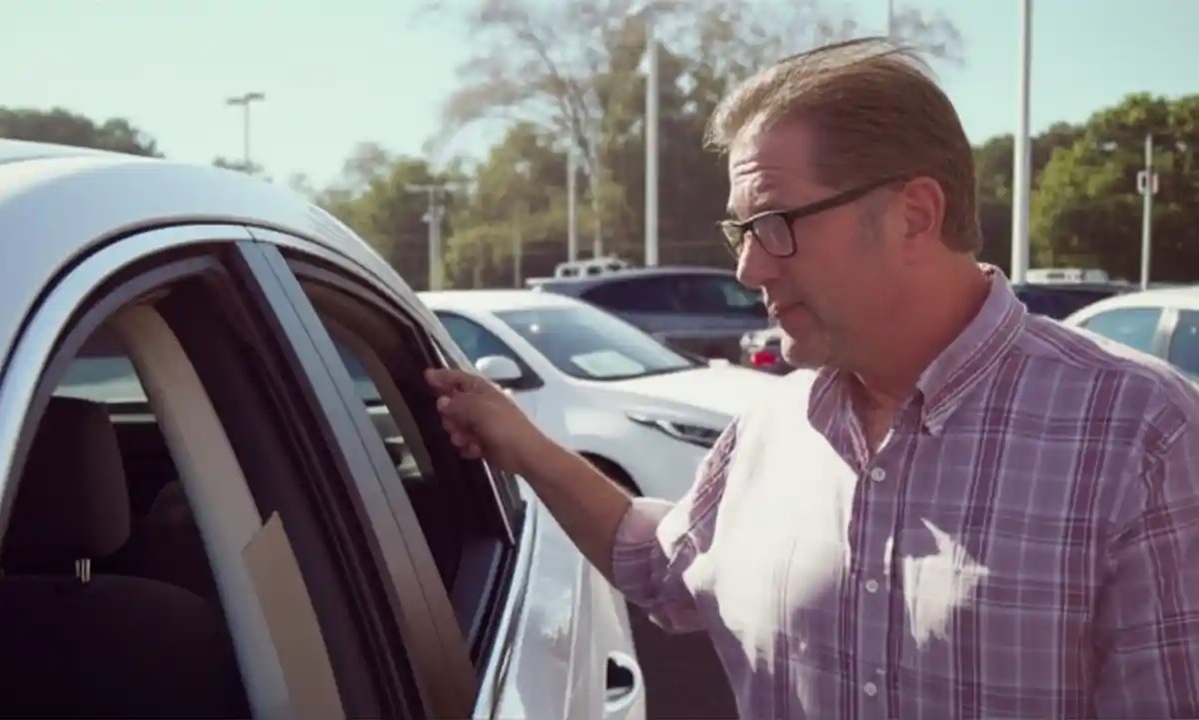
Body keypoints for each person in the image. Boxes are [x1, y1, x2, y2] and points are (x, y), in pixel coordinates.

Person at [425, 37, 1199, 719]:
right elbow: (661, 569)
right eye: (742, 231)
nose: (748, 266)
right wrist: (520, 444)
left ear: (915, 215)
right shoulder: (770, 428)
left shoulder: (1137, 433)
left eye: (774, 223)